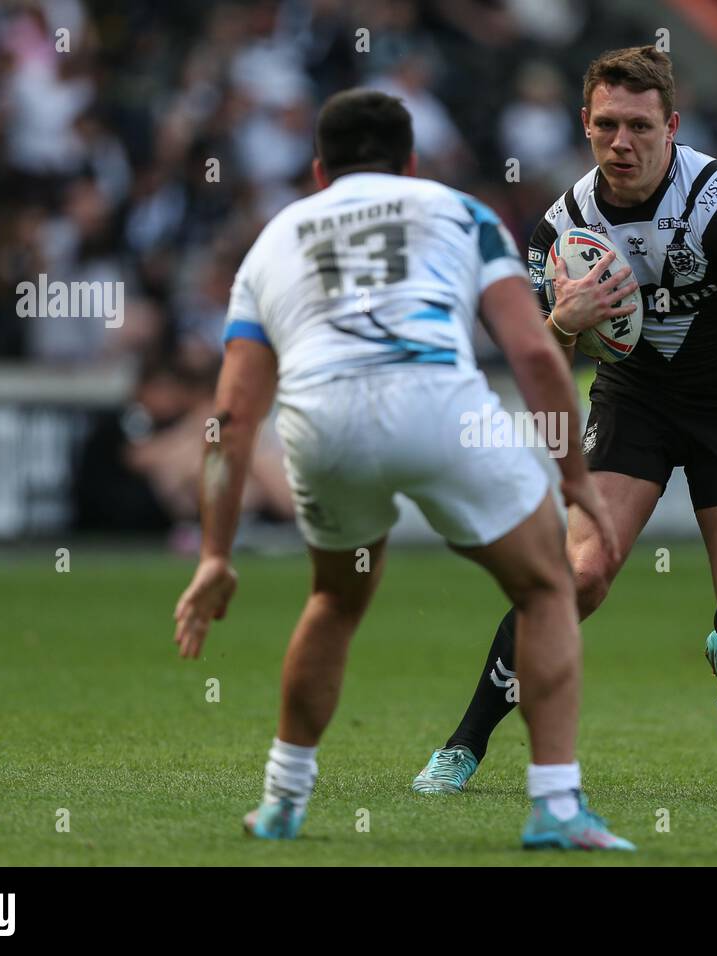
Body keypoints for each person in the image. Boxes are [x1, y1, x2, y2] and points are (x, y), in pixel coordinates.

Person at [171, 88, 633, 851]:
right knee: (549, 584)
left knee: (335, 601)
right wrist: (576, 476)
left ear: (320, 172)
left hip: (324, 423)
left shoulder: (274, 239)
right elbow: (530, 352)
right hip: (438, 407)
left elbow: (231, 417)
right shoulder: (458, 211)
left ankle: (283, 799)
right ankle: (555, 806)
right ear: (411, 164)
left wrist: (216, 554)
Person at [413, 46, 717, 794]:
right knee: (577, 577)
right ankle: (463, 746)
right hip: (634, 399)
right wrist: (562, 321)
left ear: (671, 126)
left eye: (641, 127)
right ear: (584, 124)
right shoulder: (560, 231)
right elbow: (531, 361)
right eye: (607, 125)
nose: (623, 143)